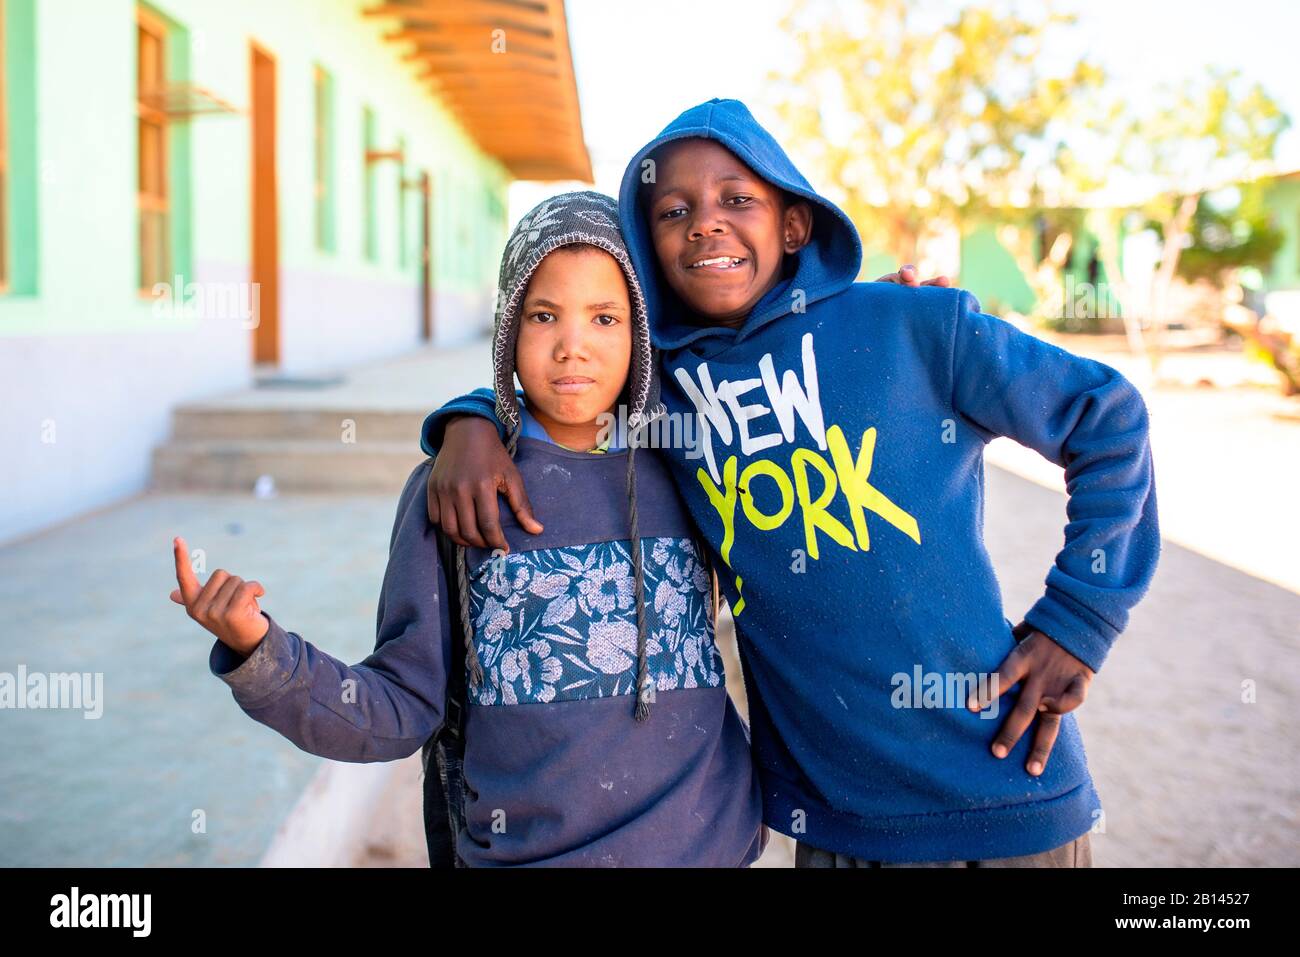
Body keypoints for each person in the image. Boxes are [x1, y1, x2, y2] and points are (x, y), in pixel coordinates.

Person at [416, 99, 1160, 866]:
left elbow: (1107, 418)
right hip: (833, 822)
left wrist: (1080, 617)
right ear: (647, 249)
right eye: (673, 211)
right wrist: (469, 421)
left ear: (795, 225)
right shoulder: (664, 386)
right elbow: (567, 376)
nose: (707, 222)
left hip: (1005, 793)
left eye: (738, 199)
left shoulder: (914, 323)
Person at [171, 190, 766, 867]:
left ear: (643, 328)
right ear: (508, 329)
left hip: (711, 849)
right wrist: (262, 651)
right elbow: (400, 704)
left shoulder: (696, 461)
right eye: (545, 315)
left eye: (606, 317)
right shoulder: (453, 494)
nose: (574, 346)